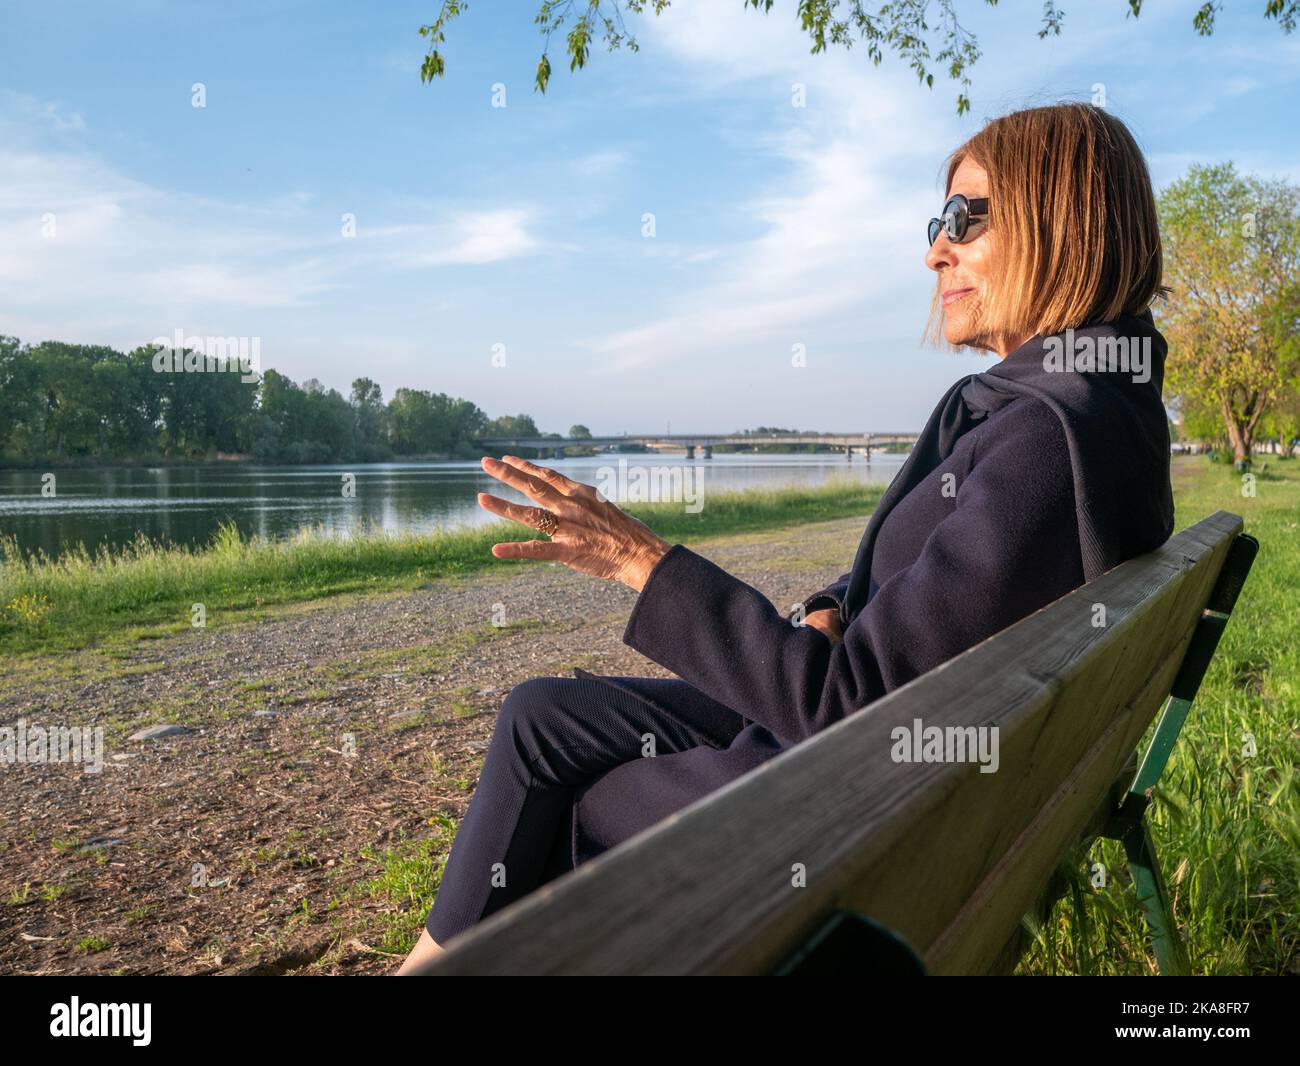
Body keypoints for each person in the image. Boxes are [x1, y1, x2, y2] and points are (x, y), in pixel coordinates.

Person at [395, 101, 1174, 974]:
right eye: (937, 222)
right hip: (922, 763)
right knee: (542, 717)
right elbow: (929, 599)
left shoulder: (1041, 438)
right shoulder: (1091, 406)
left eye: (966, 217)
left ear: (1061, 217)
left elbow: (849, 707)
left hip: (861, 802)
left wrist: (638, 560)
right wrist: (833, 607)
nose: (935, 250)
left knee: (586, 801)